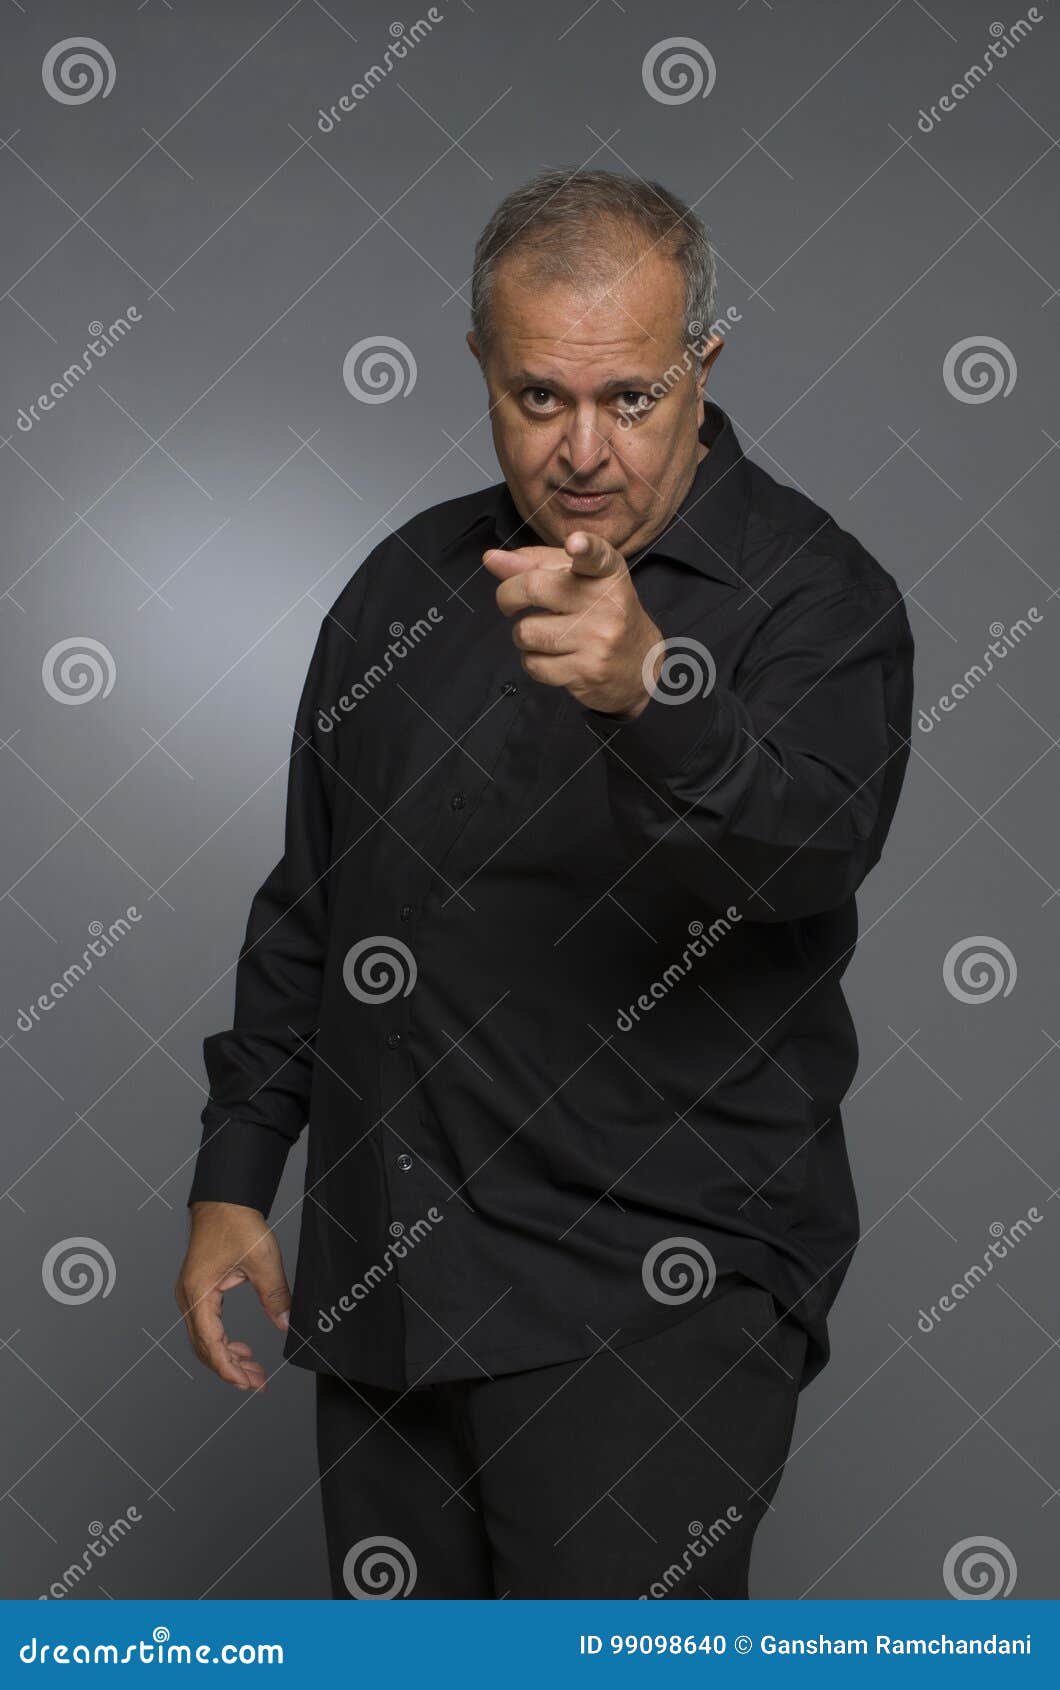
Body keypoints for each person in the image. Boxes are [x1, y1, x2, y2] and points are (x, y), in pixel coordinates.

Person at [175, 168, 915, 1599]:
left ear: (703, 362)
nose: (582, 448)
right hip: (390, 1286)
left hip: (651, 1298)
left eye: (629, 397)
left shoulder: (818, 596)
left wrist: (657, 694)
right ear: (479, 368)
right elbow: (317, 904)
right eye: (537, 398)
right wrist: (236, 1170)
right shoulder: (398, 588)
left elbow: (816, 851)